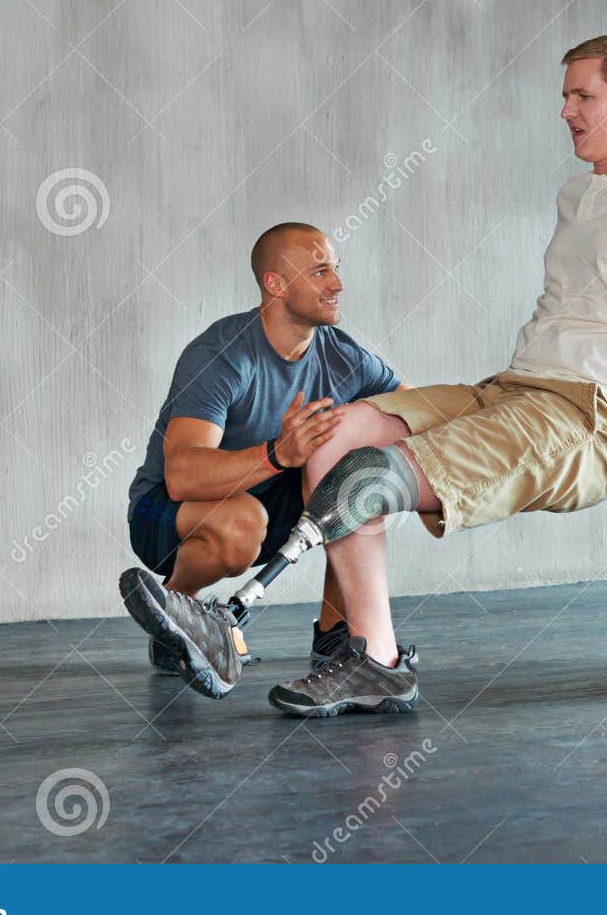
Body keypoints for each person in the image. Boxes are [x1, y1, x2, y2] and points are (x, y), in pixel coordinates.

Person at [128, 34, 607, 717]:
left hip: (581, 420)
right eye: (564, 96)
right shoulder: (578, 195)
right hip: (514, 389)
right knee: (331, 437)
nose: (566, 111)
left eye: (584, 96)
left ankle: (365, 659)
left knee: (369, 475)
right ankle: (346, 644)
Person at [120, 223, 405, 697]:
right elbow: (181, 475)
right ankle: (178, 612)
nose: (337, 283)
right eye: (320, 271)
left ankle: (337, 636)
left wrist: (494, 404)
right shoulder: (223, 354)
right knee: (242, 522)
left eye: (336, 268)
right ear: (276, 285)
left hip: (266, 505)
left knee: (355, 473)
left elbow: (421, 407)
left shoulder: (343, 356)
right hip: (166, 513)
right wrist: (279, 453)